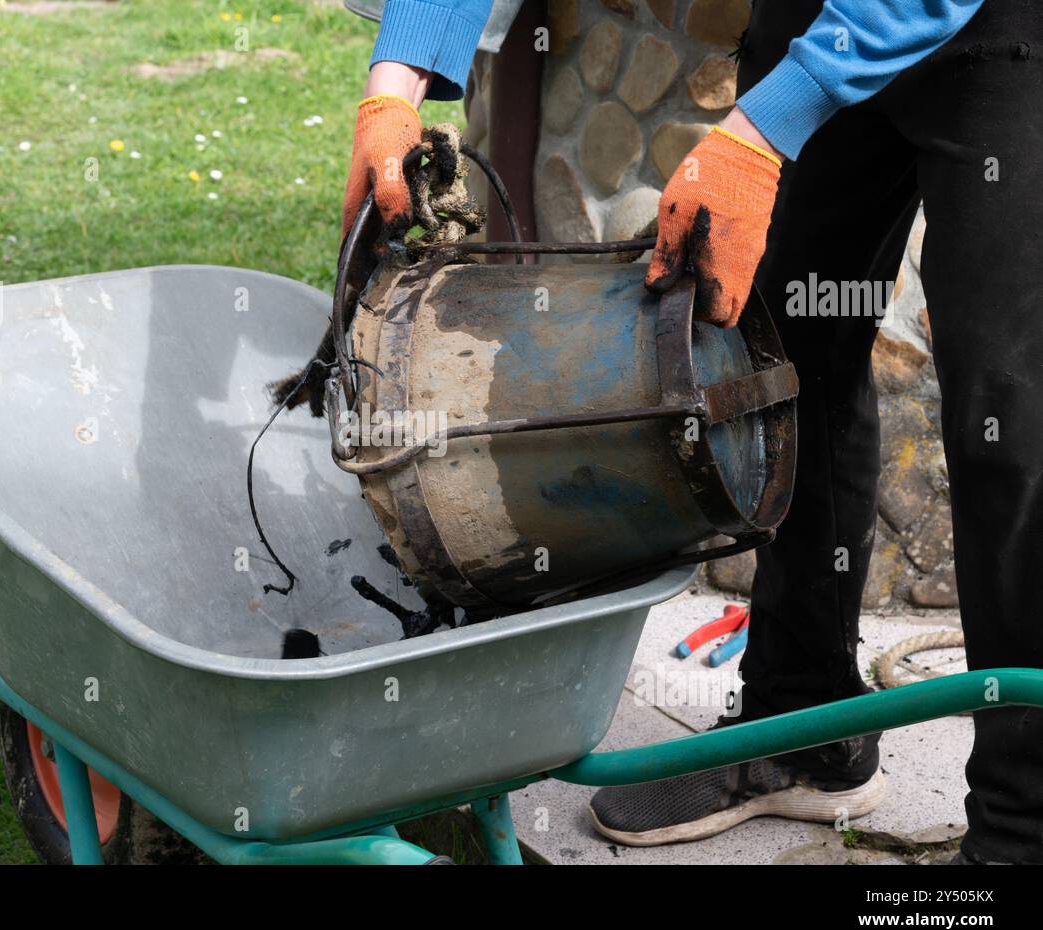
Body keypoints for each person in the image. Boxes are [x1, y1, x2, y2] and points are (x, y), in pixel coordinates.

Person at [343, 0, 1043, 864]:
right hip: (814, 13)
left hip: (1007, 36)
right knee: (778, 367)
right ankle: (803, 728)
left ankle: (1024, 824)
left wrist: (766, 127)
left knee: (1013, 420)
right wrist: (397, 80)